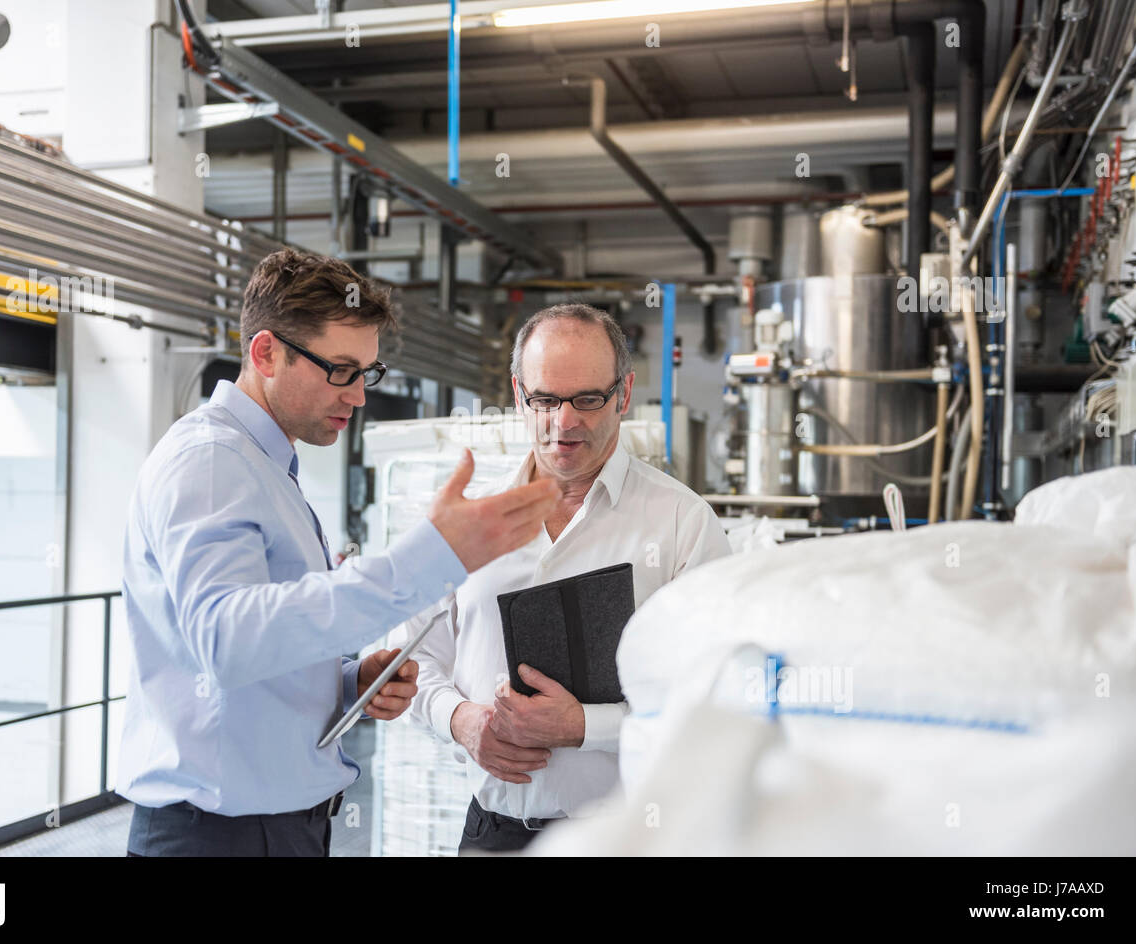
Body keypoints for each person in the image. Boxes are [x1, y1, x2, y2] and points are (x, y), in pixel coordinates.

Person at [117, 248, 559, 856]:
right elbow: (226, 640)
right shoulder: (212, 462)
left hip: (278, 829)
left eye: (367, 373)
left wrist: (348, 684)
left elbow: (263, 643)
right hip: (218, 837)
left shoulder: (267, 468)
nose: (357, 396)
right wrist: (431, 555)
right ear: (265, 353)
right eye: (341, 369)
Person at [405, 303, 732, 854]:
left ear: (623, 394)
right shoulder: (470, 518)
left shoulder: (682, 523)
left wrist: (584, 726)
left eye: (587, 399)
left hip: (624, 837)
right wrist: (460, 720)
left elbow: (716, 699)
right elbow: (411, 659)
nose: (564, 422)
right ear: (518, 394)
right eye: (546, 400)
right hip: (491, 833)